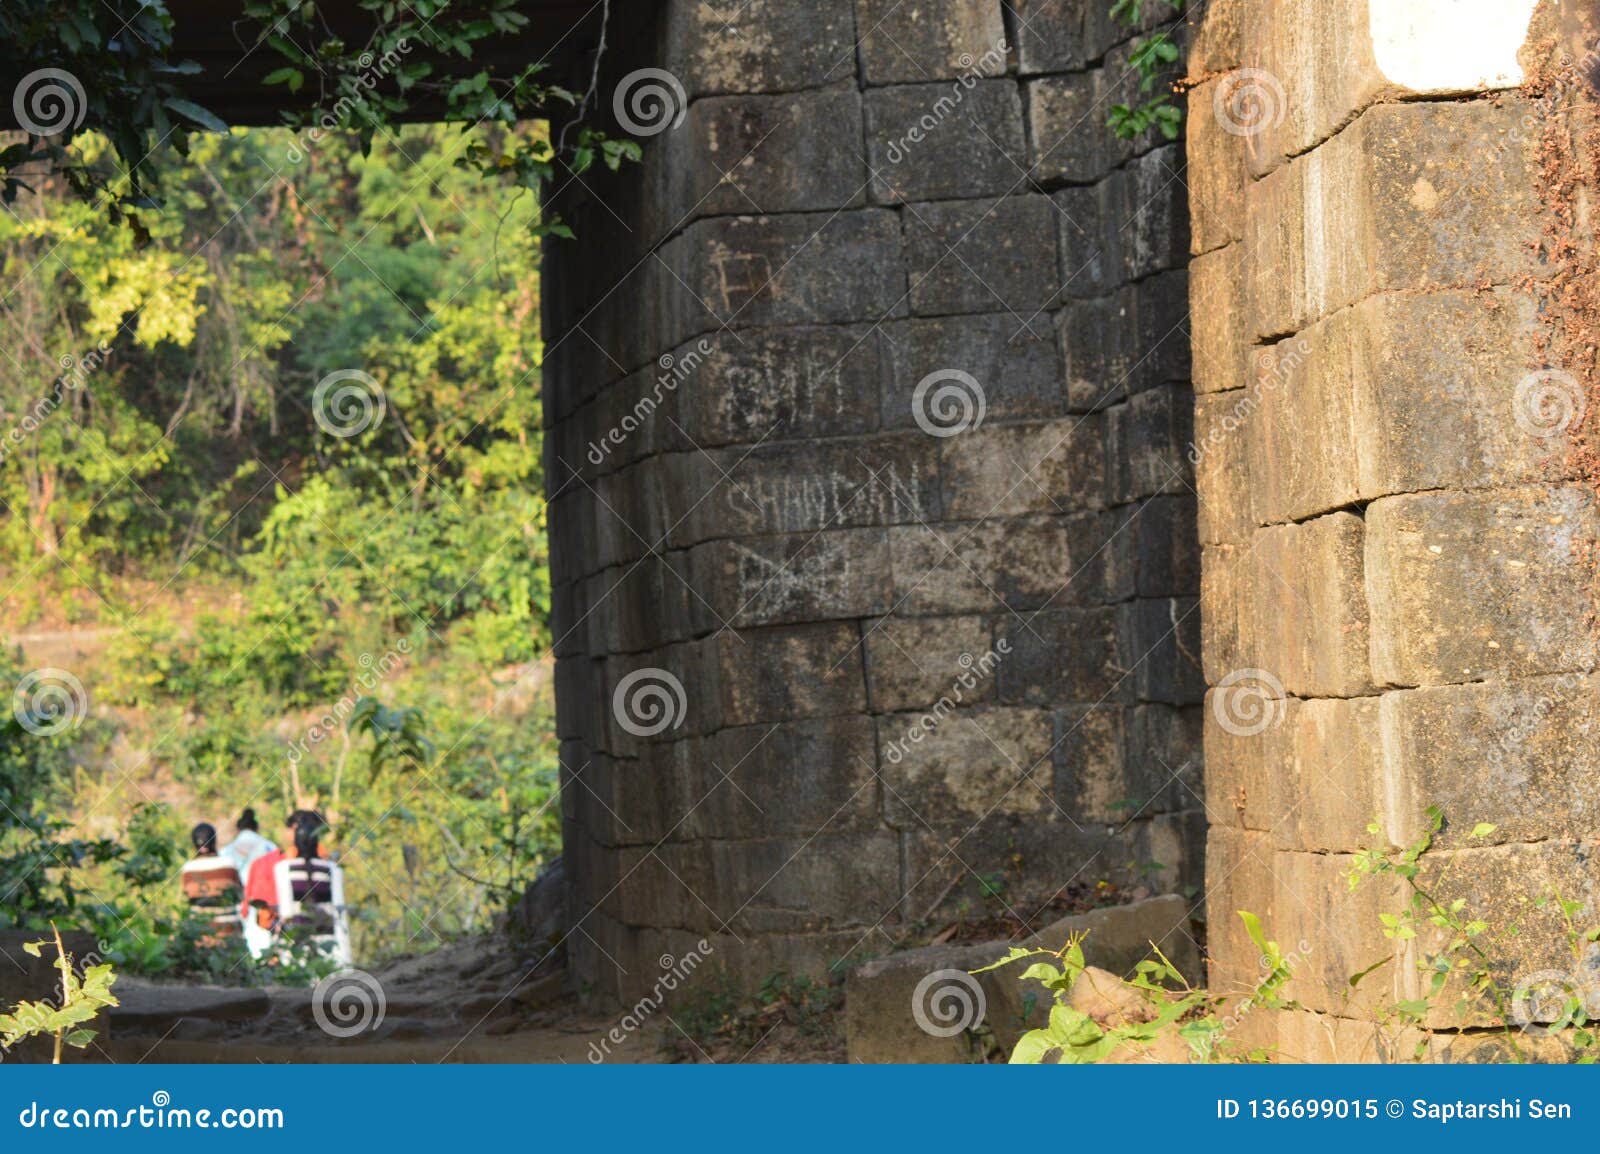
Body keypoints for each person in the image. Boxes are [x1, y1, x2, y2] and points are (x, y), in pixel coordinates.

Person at [241, 811, 327, 957]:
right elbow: (263, 916)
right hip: (290, 945)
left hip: (293, 944)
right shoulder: (269, 865)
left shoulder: (269, 863)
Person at [180, 822, 242, 943]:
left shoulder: (188, 869)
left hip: (200, 934)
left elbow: (186, 897)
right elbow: (240, 895)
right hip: (229, 934)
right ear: (214, 841)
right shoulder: (229, 864)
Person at [218, 808, 276, 887]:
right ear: (256, 828)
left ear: (238, 829)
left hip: (237, 893)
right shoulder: (270, 847)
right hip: (262, 891)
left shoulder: (224, 851)